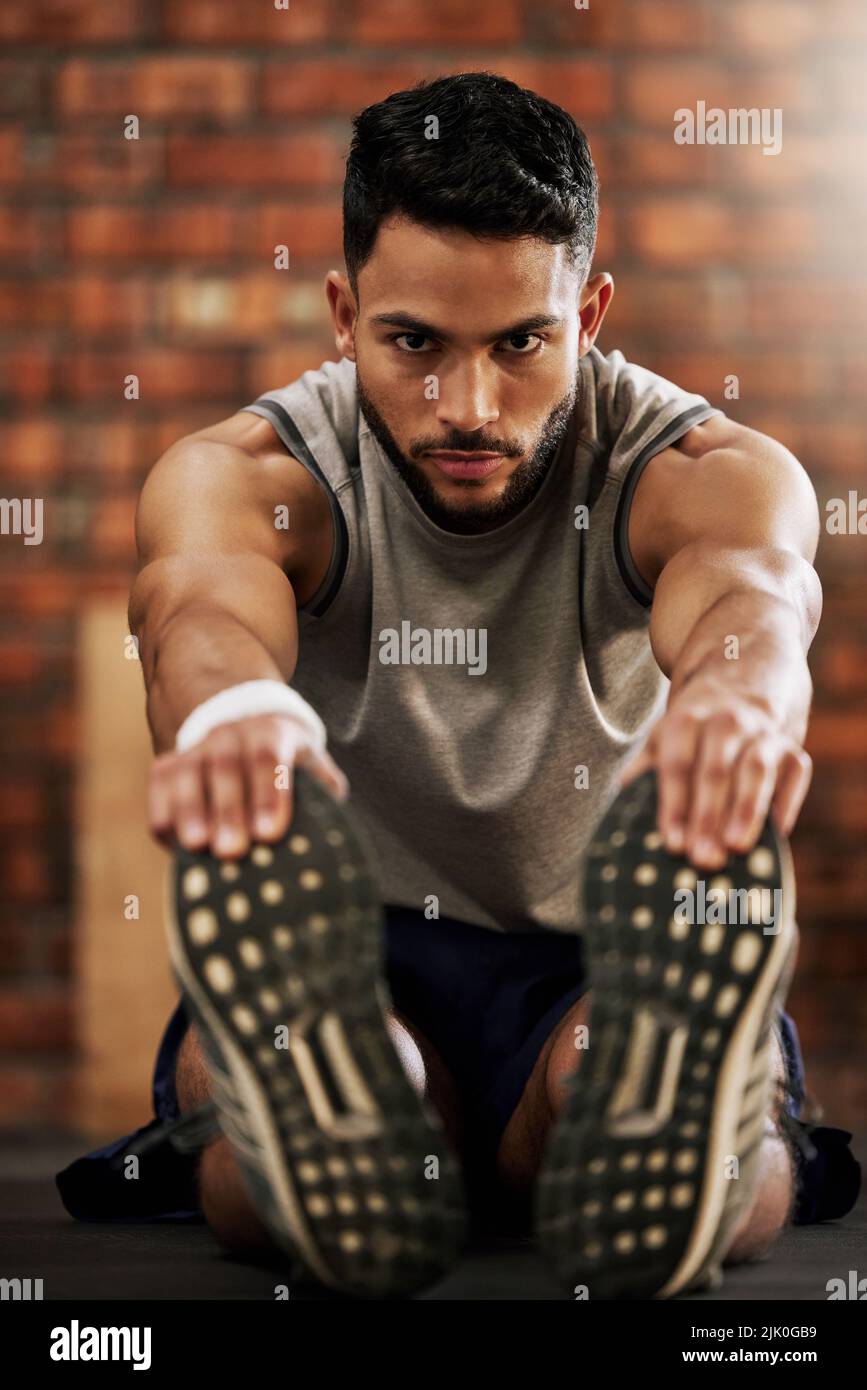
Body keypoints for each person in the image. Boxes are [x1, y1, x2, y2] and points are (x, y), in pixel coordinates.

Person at [57, 72, 860, 1300]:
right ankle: (328, 1115)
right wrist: (236, 715)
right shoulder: (254, 470)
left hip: (604, 951)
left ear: (589, 312)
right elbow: (199, 607)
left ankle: (657, 1118)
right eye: (416, 343)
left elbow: (757, 598)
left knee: (647, 1103)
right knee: (309, 1105)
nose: (467, 407)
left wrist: (730, 710)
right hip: (349, 947)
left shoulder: (697, 468)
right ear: (343, 311)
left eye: (521, 344)